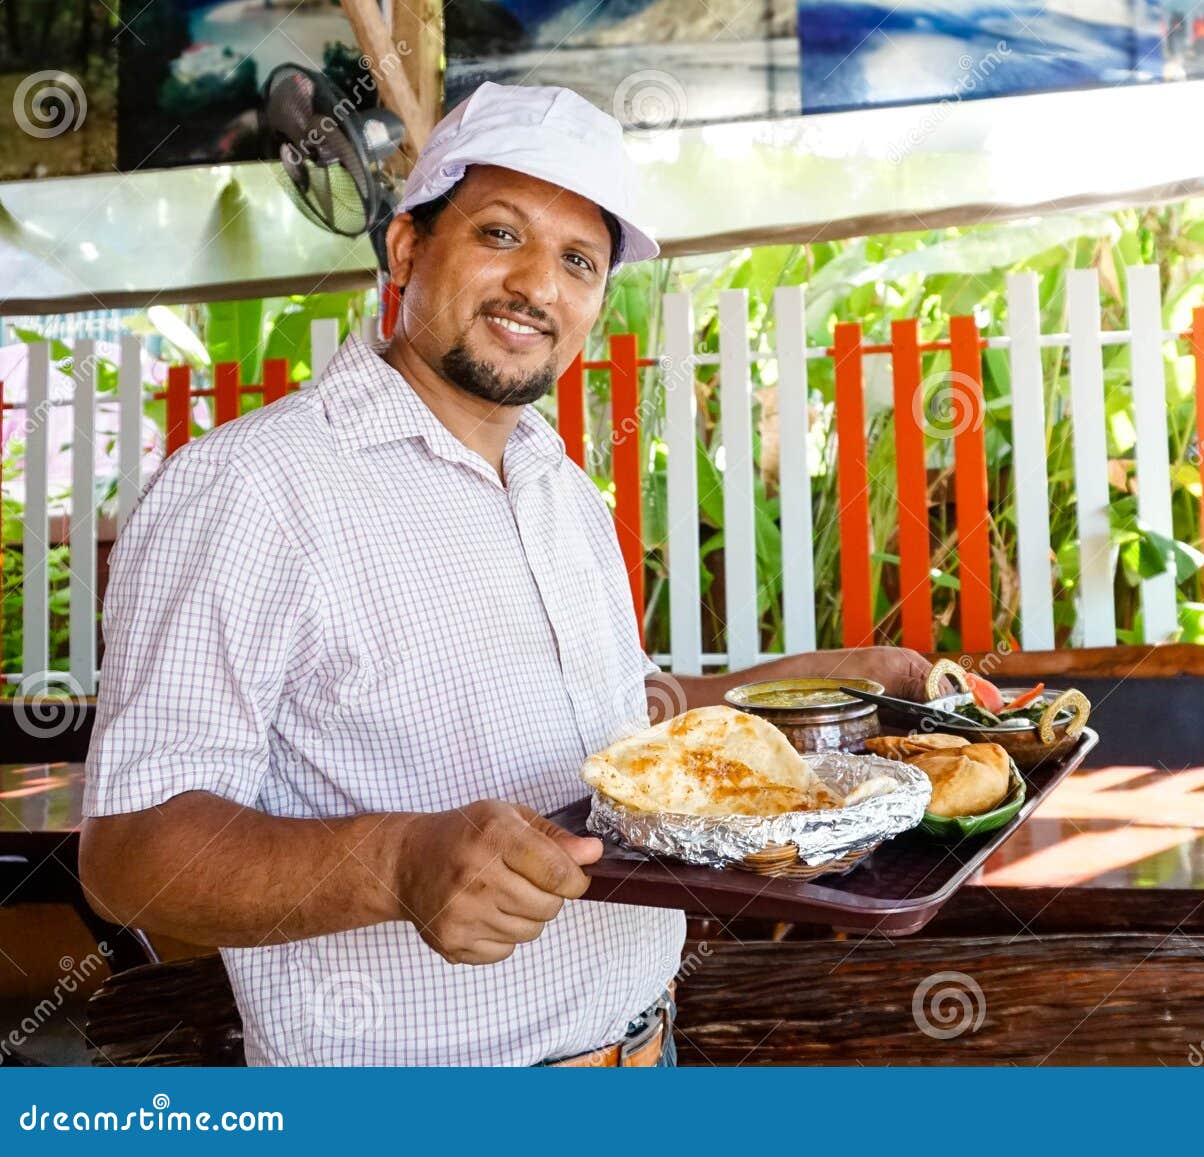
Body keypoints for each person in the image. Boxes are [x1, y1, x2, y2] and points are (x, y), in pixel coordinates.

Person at [78, 83, 931, 1067]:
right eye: (499, 233)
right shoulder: (252, 489)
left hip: (644, 1056)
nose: (538, 284)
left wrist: (826, 678)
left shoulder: (557, 483)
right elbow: (132, 854)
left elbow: (626, 723)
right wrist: (397, 864)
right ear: (407, 248)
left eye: (578, 260)